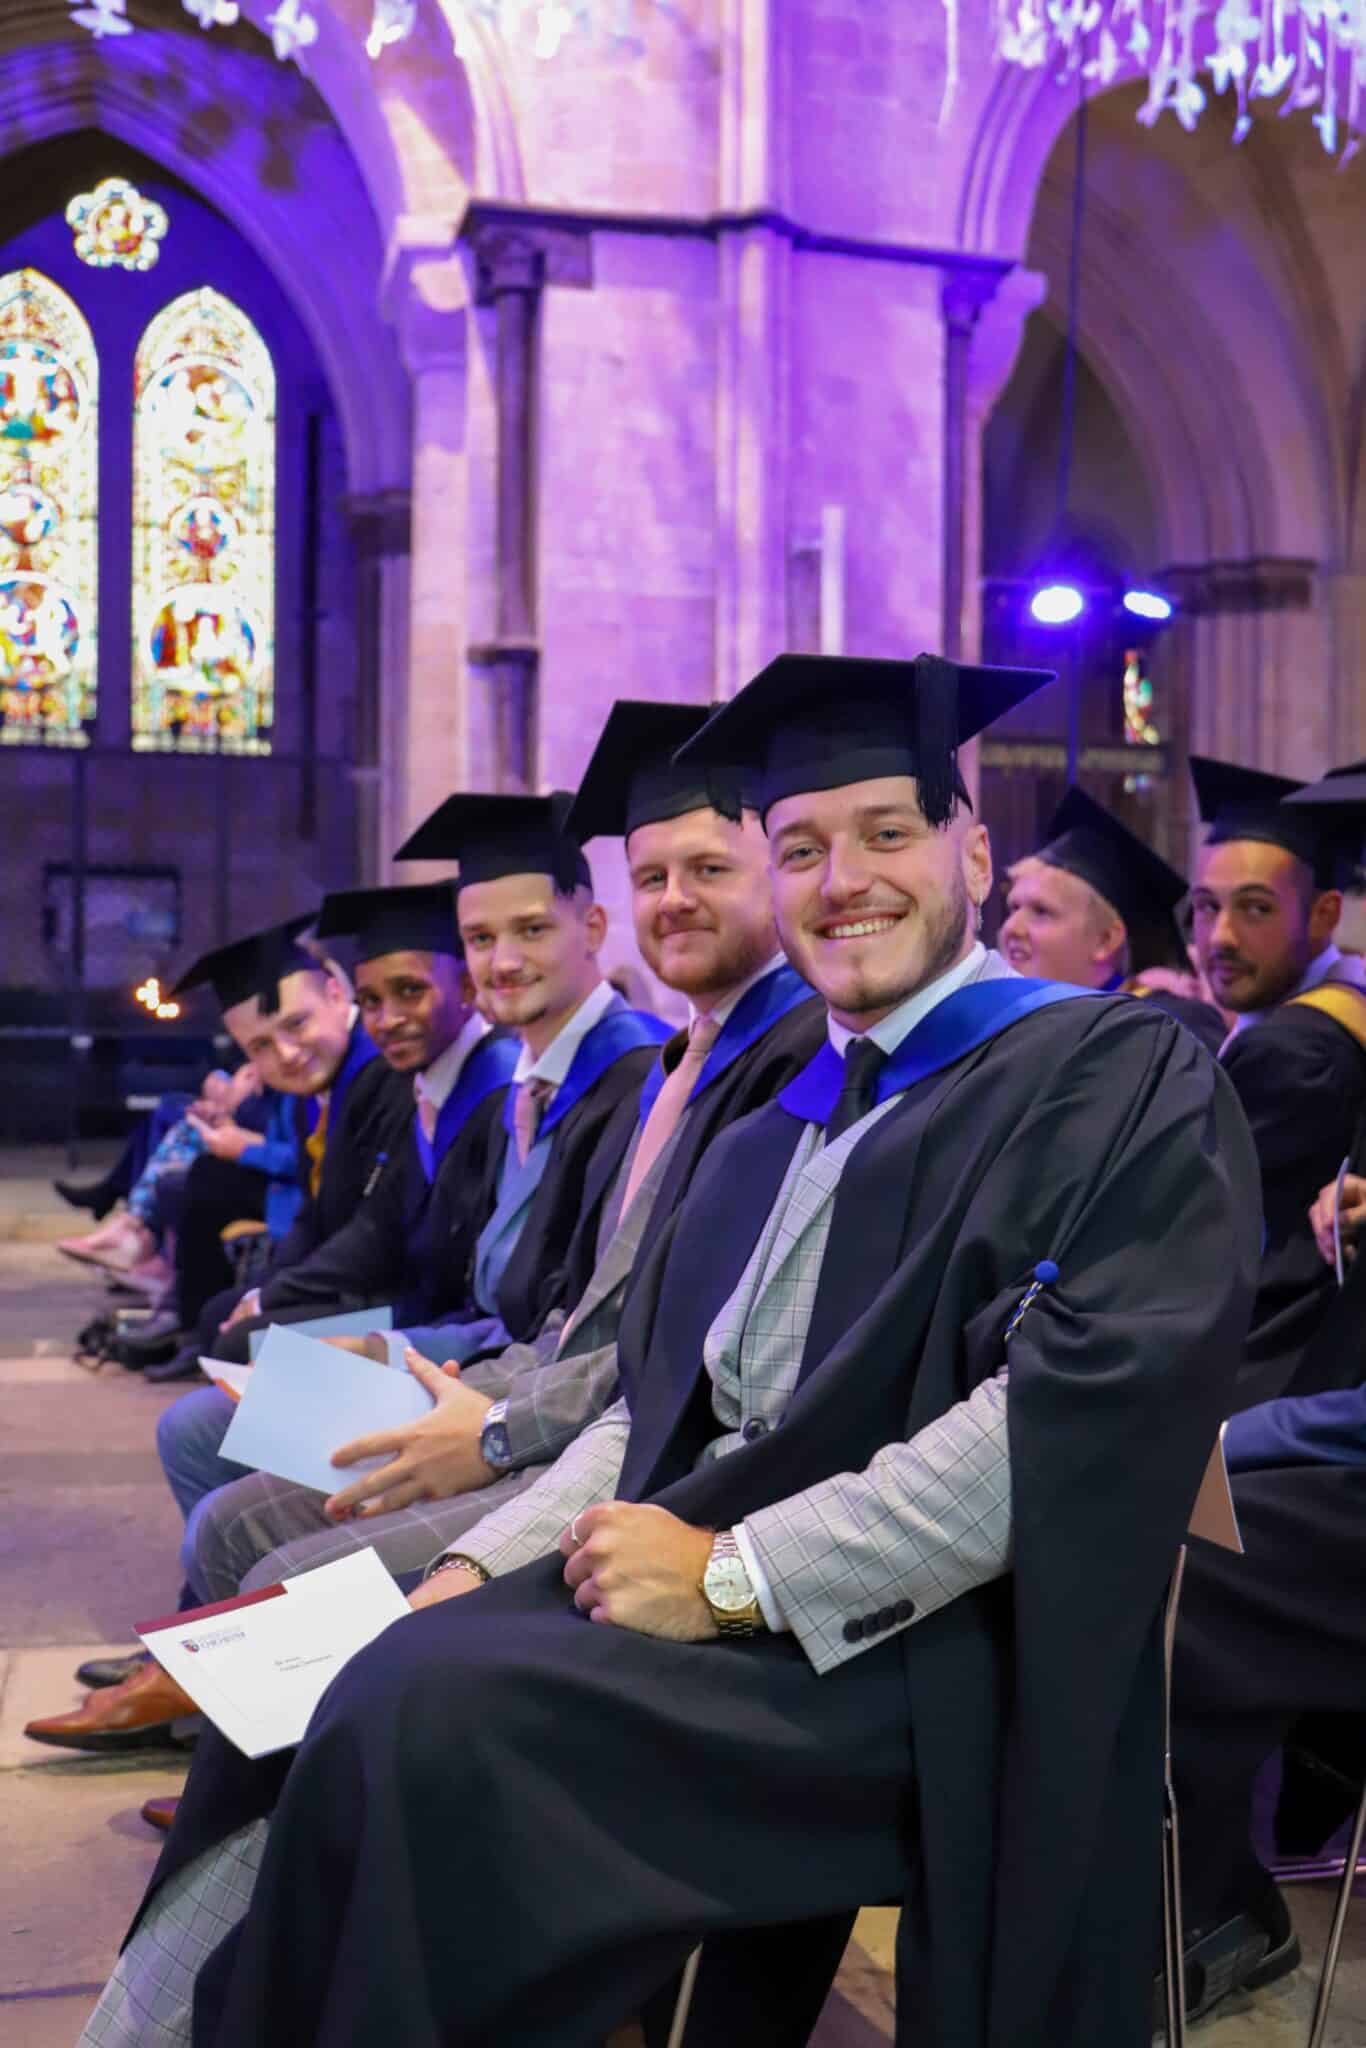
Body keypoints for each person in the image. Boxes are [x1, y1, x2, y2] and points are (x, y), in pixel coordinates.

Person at [88, 652, 1258, 2048]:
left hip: (933, 1651)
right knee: (343, 1668)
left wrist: (734, 1575)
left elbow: (1064, 1419)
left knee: (435, 1720)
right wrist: (468, 1569)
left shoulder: (1106, 1074)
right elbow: (656, 1410)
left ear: (973, 847)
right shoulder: (788, 1112)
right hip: (691, 1582)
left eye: (887, 835)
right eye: (804, 848)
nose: (843, 881)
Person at [28, 804, 665, 1759]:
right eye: (482, 936)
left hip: (509, 1383)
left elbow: (529, 1306)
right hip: (483, 1359)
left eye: (528, 930)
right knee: (217, 1415)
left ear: (592, 928)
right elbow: (391, 1244)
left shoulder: (612, 1075)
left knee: (222, 1449)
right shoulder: (511, 1085)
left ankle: (222, 1703)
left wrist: (389, 1349)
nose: (500, 960)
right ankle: (210, 1681)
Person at [185, 697, 825, 1611]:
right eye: (653, 876)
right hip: (535, 1384)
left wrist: (482, 1418)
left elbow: (659, 1342)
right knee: (235, 1505)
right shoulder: (677, 1062)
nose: (675, 898)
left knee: (269, 1554)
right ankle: (196, 1685)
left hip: (615, 1440)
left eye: (710, 869)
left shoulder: (755, 1064)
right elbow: (571, 1303)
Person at [127, 921, 413, 1384]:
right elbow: (313, 1213)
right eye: (260, 1045)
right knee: (220, 1314)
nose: (288, 1053)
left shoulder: (382, 1074)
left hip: (400, 1294)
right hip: (350, 1275)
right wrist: (262, 1291)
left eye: (297, 1024)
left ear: (338, 995)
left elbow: (376, 1233)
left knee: (240, 1340)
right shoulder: (312, 1094)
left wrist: (271, 1296)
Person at [1189, 755, 1366, 1408]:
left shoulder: (1296, 1049)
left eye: (1255, 909)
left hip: (1272, 1384)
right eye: (1206, 908)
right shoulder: (1342, 998)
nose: (1221, 937)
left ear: (1323, 915)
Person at [999, 786, 1224, 1052]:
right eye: (1013, 908)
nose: (1012, 927)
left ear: (1106, 939)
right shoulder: (1007, 1025)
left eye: (1041, 911)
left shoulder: (1170, 1030)